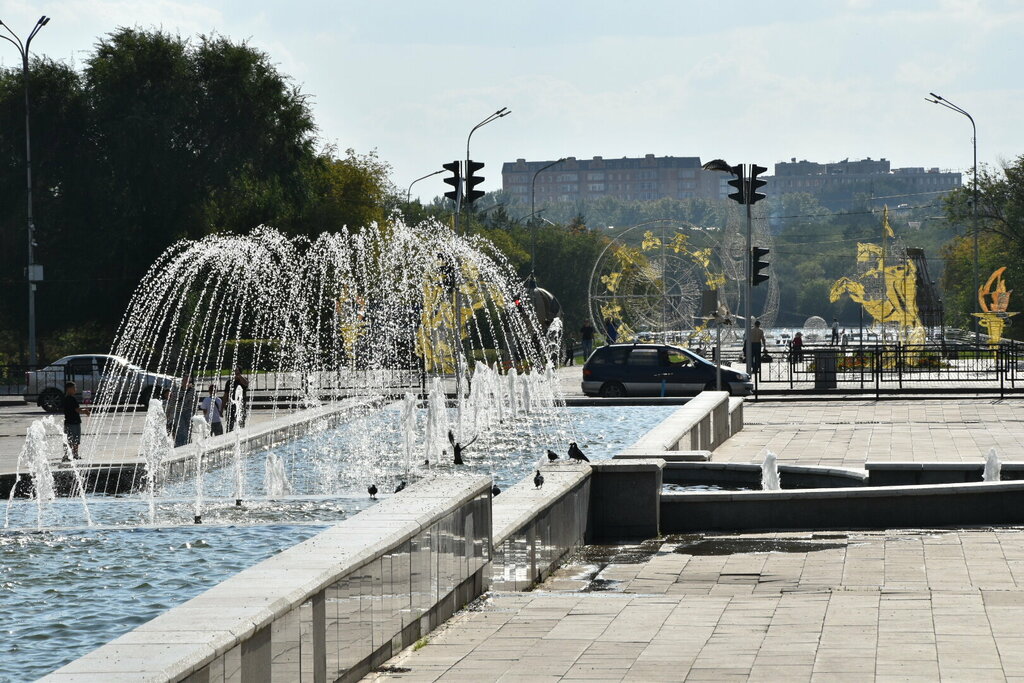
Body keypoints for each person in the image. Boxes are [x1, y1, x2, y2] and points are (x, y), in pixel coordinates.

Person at [62, 381, 91, 461]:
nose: (75, 389)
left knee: (68, 439)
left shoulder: (65, 399)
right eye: (74, 388)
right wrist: (85, 411)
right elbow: (77, 410)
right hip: (74, 422)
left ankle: (67, 455)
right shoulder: (72, 399)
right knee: (75, 439)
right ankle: (75, 454)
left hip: (67, 422)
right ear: (69, 389)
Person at [222, 367, 250, 432]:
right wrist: (221, 408)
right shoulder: (229, 382)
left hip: (241, 406)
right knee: (229, 426)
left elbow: (246, 383)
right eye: (233, 372)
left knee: (241, 425)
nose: (234, 374)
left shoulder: (243, 380)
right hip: (230, 407)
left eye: (236, 372)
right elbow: (225, 395)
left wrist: (239, 375)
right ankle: (229, 438)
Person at [174, 376, 197, 448]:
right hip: (178, 412)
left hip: (188, 411)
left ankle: (188, 444)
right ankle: (180, 445)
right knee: (181, 429)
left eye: (187, 381)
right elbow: (172, 401)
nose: (186, 382)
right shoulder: (177, 390)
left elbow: (195, 401)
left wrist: (193, 411)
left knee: (188, 429)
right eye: (184, 380)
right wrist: (170, 412)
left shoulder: (192, 390)